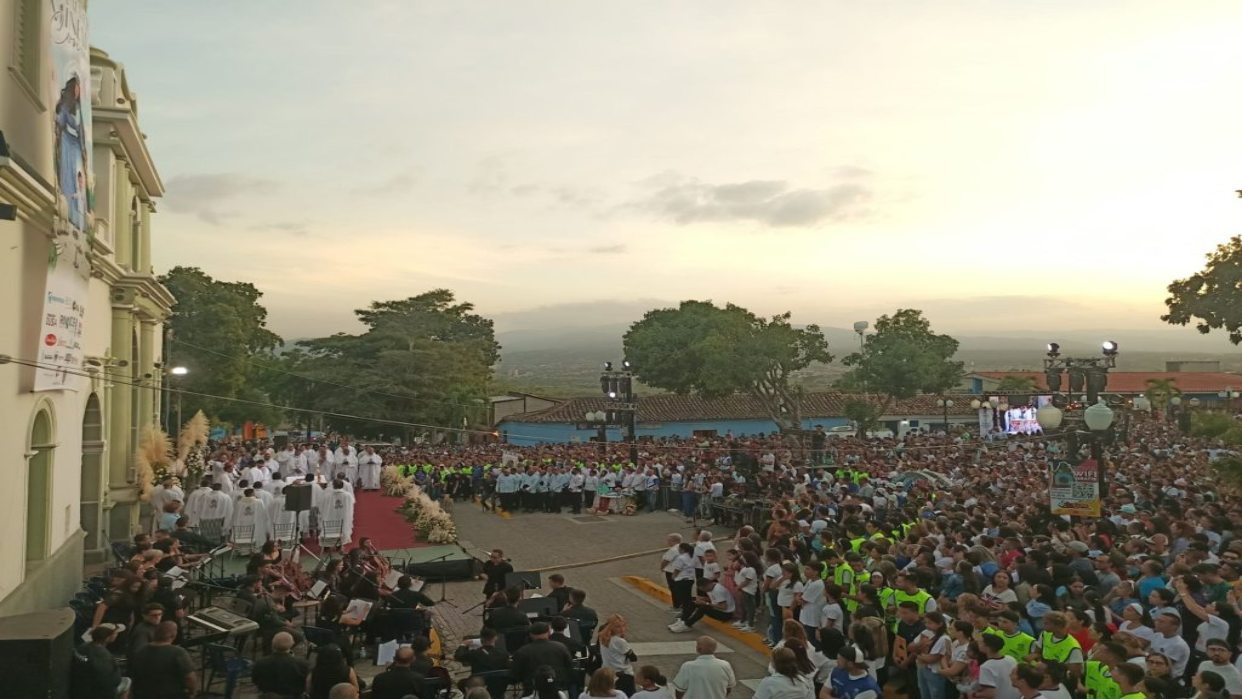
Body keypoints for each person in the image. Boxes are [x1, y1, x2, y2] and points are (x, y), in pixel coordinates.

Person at [129, 621, 198, 699]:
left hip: (144, 694)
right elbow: (189, 677)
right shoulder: (178, 652)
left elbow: (134, 676)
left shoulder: (141, 651)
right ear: (174, 635)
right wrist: (192, 692)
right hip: (172, 695)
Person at [71, 624, 131, 699]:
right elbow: (112, 682)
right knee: (127, 681)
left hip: (79, 687)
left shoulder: (82, 647)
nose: (117, 635)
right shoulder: (104, 658)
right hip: (96, 693)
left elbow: (86, 661)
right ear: (108, 637)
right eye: (115, 633)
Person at [512, 623, 575, 693]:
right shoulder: (561, 647)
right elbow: (570, 668)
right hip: (560, 689)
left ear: (530, 634)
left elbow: (515, 675)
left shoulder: (522, 651)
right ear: (549, 632)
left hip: (532, 690)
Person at [455, 627, 513, 699]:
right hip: (499, 688)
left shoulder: (475, 654)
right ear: (495, 638)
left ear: (481, 638)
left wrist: (463, 644)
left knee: (461, 683)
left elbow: (458, 656)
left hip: (479, 686)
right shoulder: (503, 654)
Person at [670, 636, 736, 699]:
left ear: (698, 649)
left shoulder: (688, 666)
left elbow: (679, 690)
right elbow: (729, 688)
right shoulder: (725, 665)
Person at [252, 631, 310, 699]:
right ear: (292, 644)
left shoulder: (260, 663)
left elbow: (255, 680)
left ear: (273, 644)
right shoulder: (303, 664)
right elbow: (307, 685)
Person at [668, 578, 734, 633]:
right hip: (718, 609)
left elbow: (724, 607)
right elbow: (715, 599)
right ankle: (683, 620)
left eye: (703, 589)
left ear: (706, 586)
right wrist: (703, 599)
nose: (704, 591)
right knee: (694, 602)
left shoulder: (718, 590)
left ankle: (687, 625)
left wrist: (706, 603)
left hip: (725, 614)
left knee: (704, 608)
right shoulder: (711, 588)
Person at [598, 614, 637, 694]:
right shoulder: (620, 641)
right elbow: (633, 658)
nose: (622, 629)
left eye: (623, 626)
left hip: (607, 672)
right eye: (618, 627)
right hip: (622, 675)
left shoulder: (603, 637)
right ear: (611, 627)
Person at [976, 633, 1019, 699]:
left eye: (980, 642)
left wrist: (974, 694)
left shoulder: (986, 667)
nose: (978, 644)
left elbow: (990, 694)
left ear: (987, 646)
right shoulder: (1011, 659)